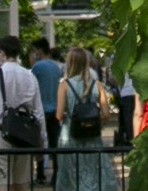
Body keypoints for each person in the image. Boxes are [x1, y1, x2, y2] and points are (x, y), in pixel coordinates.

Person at [0, 32, 48, 189]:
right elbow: (38, 111)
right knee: (22, 184)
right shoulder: (30, 76)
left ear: (2, 53)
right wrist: (42, 141)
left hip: (2, 134)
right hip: (24, 136)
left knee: (4, 184)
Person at [56, 43, 114, 191]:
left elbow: (58, 115)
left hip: (70, 136)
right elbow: (106, 113)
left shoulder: (64, 85)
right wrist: (93, 122)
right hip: (92, 137)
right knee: (93, 173)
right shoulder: (97, 85)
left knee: (71, 176)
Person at [29, 36, 64, 181]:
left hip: (40, 110)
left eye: (34, 51)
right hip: (54, 109)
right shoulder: (56, 67)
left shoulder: (37, 67)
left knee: (40, 142)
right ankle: (57, 174)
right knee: (54, 142)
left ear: (39, 50)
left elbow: (31, 85)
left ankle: (40, 174)